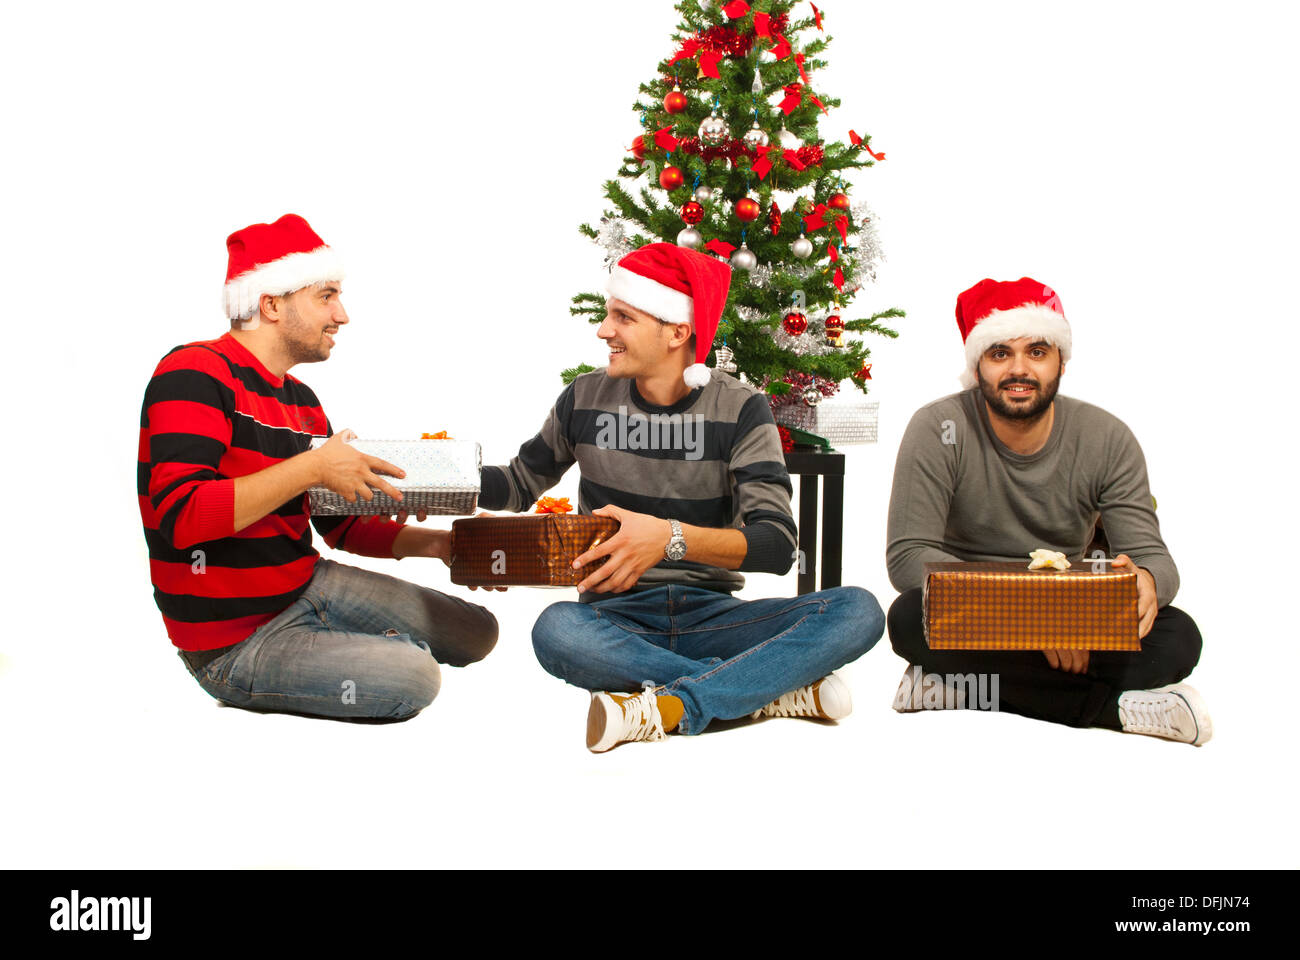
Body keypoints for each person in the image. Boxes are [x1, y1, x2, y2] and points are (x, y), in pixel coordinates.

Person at [479, 242, 884, 752]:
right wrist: (434, 480)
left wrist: (667, 540)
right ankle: (757, 690)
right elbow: (518, 484)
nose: (604, 330)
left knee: (859, 610)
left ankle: (679, 702)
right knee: (556, 630)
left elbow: (777, 545)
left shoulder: (741, 409)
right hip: (613, 622)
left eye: (623, 317)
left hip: (716, 617)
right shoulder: (583, 398)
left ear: (676, 331)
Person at [138, 213, 498, 722]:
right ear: (271, 304)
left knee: (477, 632)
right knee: (415, 677)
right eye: (326, 296)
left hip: (304, 584)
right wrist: (311, 467)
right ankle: (337, 653)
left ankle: (337, 640)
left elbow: (339, 524)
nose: (343, 315)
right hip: (234, 642)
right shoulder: (194, 373)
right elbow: (183, 515)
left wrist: (442, 545)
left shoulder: (303, 402)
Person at [885, 277, 1210, 744]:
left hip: (1076, 608)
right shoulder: (939, 428)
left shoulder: (1107, 437)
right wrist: (1031, 620)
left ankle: (964, 687)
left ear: (1061, 360)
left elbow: (1154, 558)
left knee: (1178, 637)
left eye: (1037, 352)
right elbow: (907, 558)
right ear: (977, 365)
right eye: (1000, 353)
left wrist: (1146, 581)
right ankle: (1113, 711)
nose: (1019, 369)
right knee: (909, 616)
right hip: (975, 611)